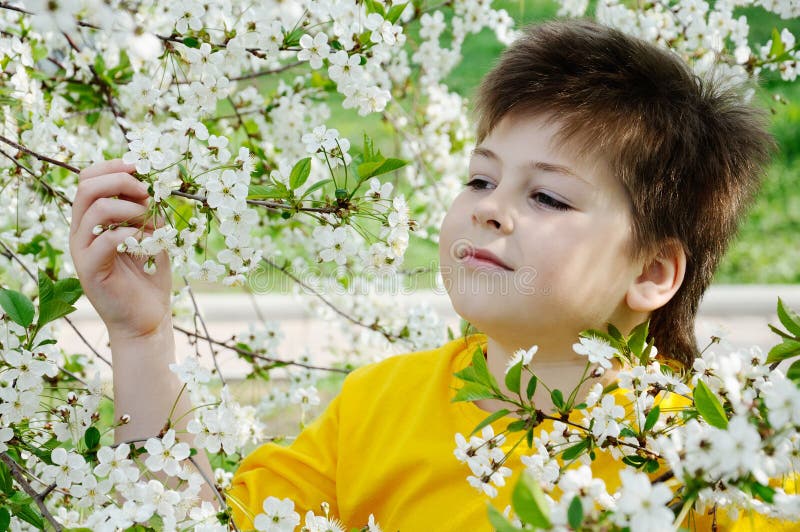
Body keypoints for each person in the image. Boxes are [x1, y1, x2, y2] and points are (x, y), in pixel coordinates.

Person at [69, 19, 785, 531]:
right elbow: (193, 523)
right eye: (479, 180)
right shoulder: (378, 407)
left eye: (546, 196)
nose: (491, 211)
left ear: (653, 273)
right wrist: (142, 339)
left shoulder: (716, 452)